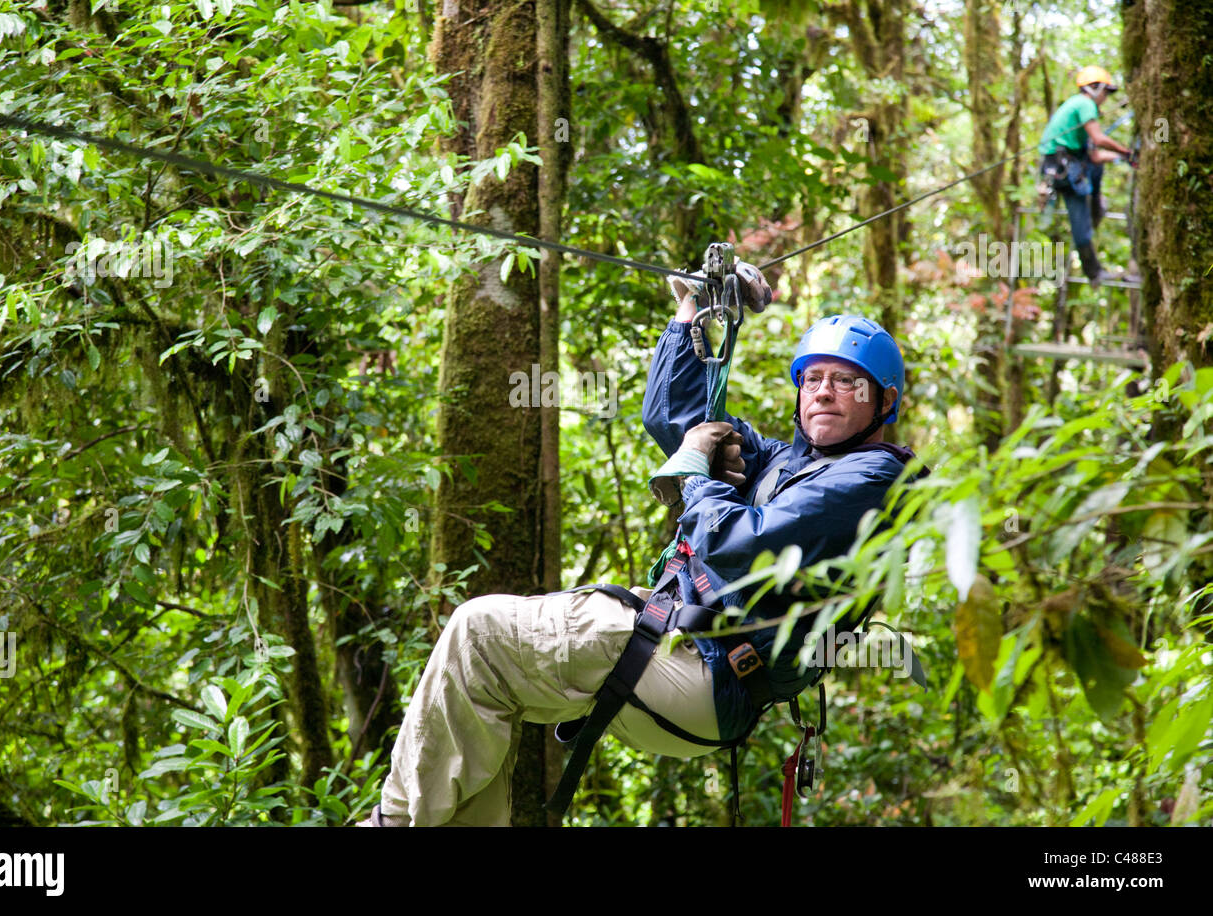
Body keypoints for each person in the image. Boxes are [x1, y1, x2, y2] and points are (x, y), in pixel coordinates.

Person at [364, 266, 921, 826]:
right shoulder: (782, 462)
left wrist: (696, 474)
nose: (824, 390)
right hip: (680, 656)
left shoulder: (873, 479)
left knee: (478, 633)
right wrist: (690, 319)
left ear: (883, 401)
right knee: (488, 683)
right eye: (813, 378)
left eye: (848, 382)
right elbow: (675, 419)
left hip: (712, 672)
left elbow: (740, 542)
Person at [1038, 66, 1135, 285]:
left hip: (1062, 166)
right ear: (1094, 88)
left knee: (1082, 215)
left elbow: (1095, 155)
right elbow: (1099, 139)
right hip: (1064, 167)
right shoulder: (1084, 104)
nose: (1105, 99)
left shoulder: (1077, 106)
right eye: (1105, 92)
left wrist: (1122, 157)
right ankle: (1094, 270)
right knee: (1081, 219)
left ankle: (1096, 210)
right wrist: (1127, 152)